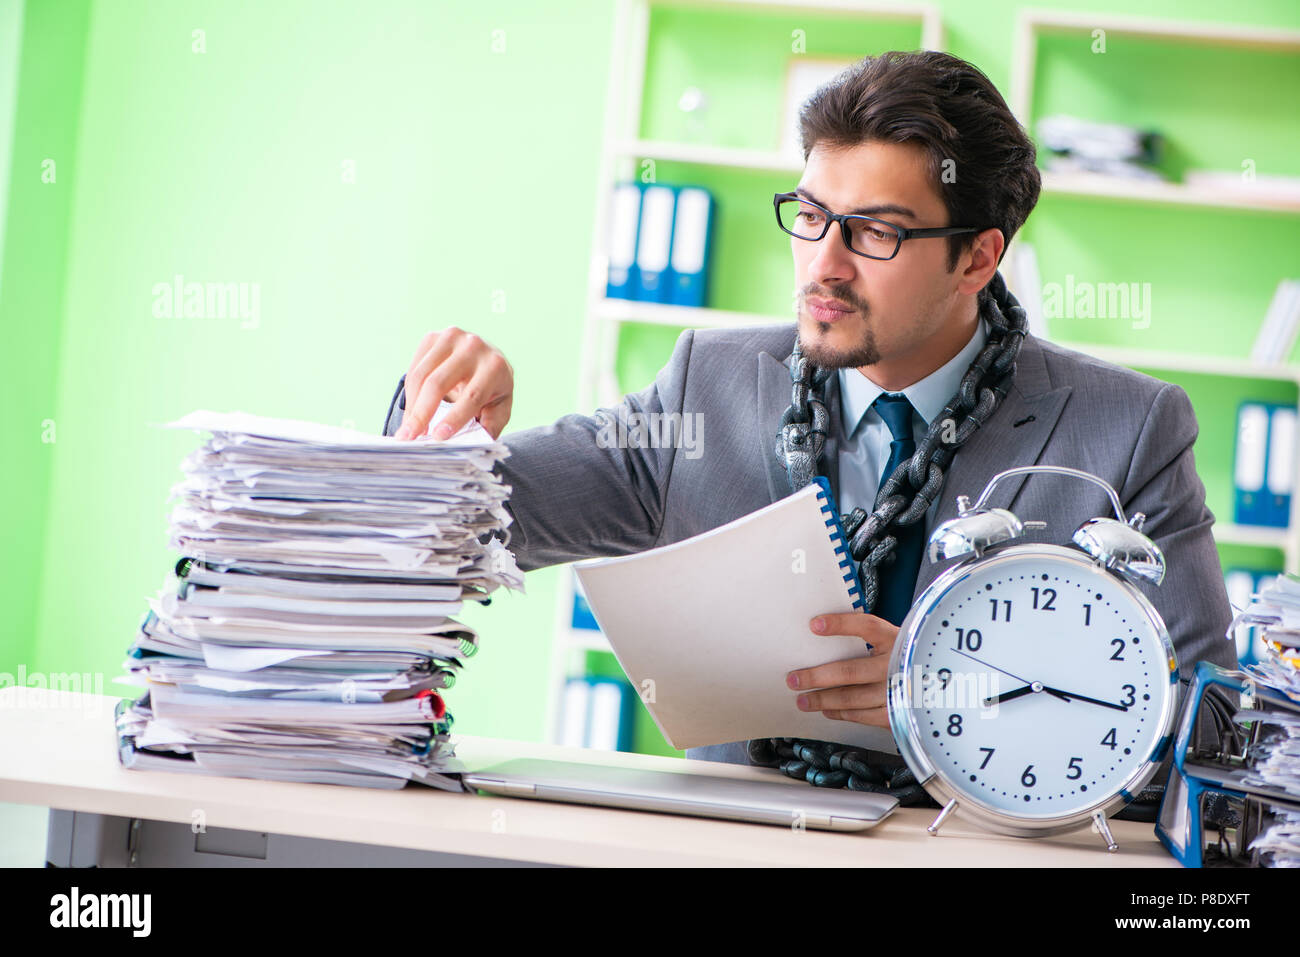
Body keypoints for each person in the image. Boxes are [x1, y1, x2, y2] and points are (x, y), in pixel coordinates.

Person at [390, 50, 1238, 805]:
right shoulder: (708, 385)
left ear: (978, 257)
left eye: (875, 231)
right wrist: (446, 428)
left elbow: (1210, 735)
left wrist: (963, 690)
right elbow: (460, 530)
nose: (823, 263)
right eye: (810, 214)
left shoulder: (1129, 429)